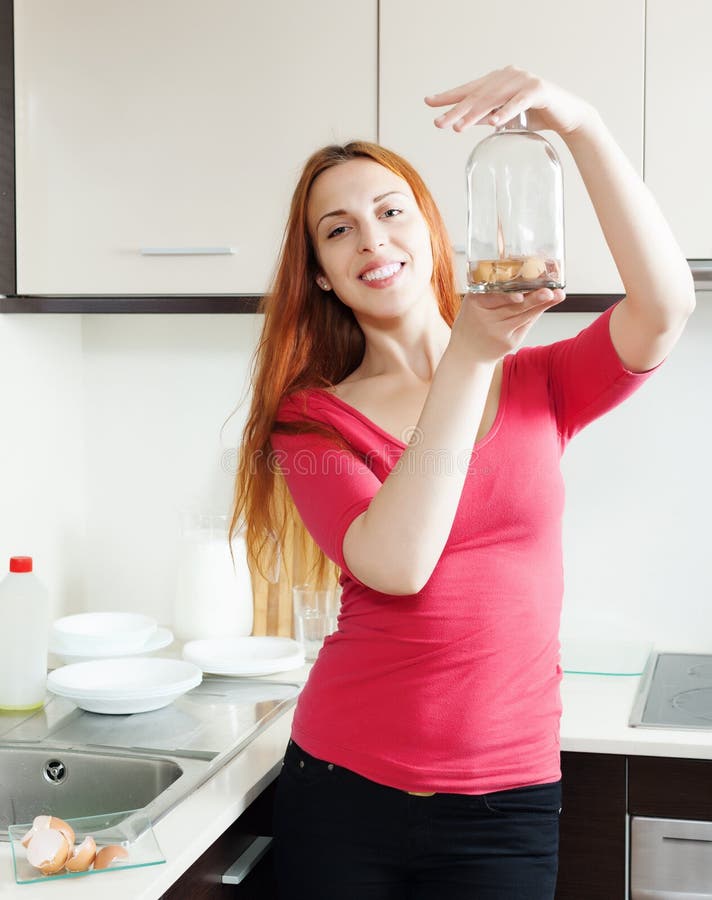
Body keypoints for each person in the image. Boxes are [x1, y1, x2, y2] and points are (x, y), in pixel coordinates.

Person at [230, 66, 695, 899]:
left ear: (433, 232)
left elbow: (664, 308)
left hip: (505, 803)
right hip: (341, 789)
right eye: (338, 230)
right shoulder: (309, 423)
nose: (371, 240)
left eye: (390, 212)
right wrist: (472, 354)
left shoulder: (538, 383)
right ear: (323, 273)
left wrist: (582, 124)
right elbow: (397, 564)